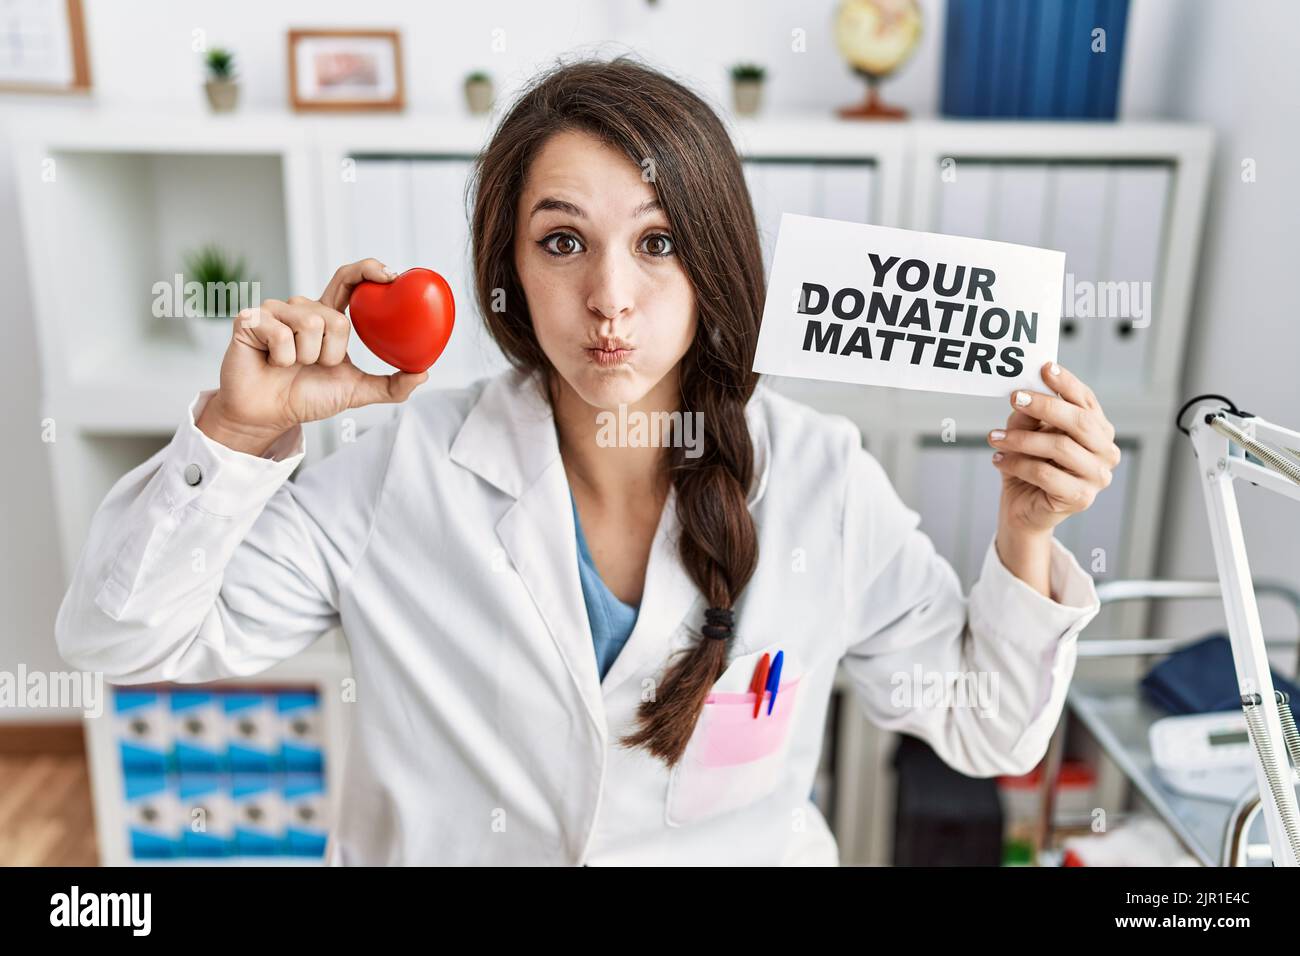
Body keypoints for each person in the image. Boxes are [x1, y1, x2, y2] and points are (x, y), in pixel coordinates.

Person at [55, 56, 1117, 865]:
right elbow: (117, 636)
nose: (610, 296)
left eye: (656, 242)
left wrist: (1026, 529)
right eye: (561, 241)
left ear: (714, 260)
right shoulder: (402, 469)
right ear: (507, 266)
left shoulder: (820, 477)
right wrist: (238, 440)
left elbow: (986, 727)